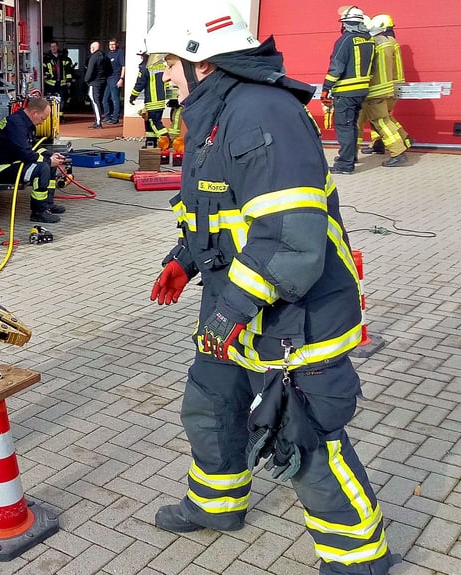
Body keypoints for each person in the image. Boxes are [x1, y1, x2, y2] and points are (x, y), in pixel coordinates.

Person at [145, 2, 395, 574]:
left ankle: (359, 557)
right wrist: (186, 258)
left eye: (168, 62)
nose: (163, 74)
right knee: (210, 405)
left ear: (200, 61)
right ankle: (216, 504)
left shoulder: (262, 115)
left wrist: (230, 308)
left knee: (303, 438)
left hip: (293, 321)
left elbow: (290, 242)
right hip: (239, 311)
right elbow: (216, 210)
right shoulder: (216, 114)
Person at [0, 96, 68, 223]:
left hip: (15, 162)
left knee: (49, 162)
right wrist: (47, 161)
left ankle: (48, 204)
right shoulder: (16, 124)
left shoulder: (25, 123)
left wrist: (51, 156)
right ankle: (38, 212)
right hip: (2, 168)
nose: (42, 122)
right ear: (35, 113)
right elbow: (24, 153)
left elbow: (33, 148)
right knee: (42, 168)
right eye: (42, 118)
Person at [321, 6, 375, 174]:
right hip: (361, 92)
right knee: (351, 127)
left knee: (344, 128)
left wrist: (326, 88)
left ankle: (345, 165)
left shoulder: (345, 40)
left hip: (345, 92)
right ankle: (349, 158)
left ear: (345, 24)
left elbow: (336, 67)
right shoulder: (369, 40)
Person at [358, 14, 412, 166]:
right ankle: (398, 140)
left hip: (376, 90)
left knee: (380, 120)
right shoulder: (388, 42)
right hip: (388, 87)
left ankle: (398, 150)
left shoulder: (374, 44)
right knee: (382, 118)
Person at [129, 49, 169, 147]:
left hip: (152, 100)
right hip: (160, 100)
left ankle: (166, 140)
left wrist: (133, 96)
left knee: (153, 122)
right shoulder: (162, 66)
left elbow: (140, 83)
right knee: (148, 122)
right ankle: (151, 143)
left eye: (142, 56)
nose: (141, 58)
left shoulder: (146, 67)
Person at [84, 41, 109, 129]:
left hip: (94, 82)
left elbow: (90, 71)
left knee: (95, 101)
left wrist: (86, 80)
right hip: (103, 82)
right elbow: (110, 70)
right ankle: (97, 121)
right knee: (99, 100)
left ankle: (98, 122)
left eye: (91, 48)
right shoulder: (105, 57)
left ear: (93, 48)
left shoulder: (93, 57)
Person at [43, 41, 74, 111]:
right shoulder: (46, 58)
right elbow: (43, 69)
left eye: (55, 46)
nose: (53, 48)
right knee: (50, 100)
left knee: (61, 99)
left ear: (57, 47)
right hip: (50, 84)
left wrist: (69, 81)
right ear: (50, 48)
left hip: (62, 84)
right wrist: (46, 75)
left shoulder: (64, 58)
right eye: (52, 47)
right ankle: (51, 115)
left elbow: (68, 70)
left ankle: (60, 116)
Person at [102, 38, 125, 124]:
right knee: (105, 99)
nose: (111, 46)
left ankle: (115, 118)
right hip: (109, 78)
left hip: (116, 78)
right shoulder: (109, 54)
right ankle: (107, 116)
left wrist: (121, 79)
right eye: (110, 45)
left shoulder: (120, 53)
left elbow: (123, 66)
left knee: (115, 99)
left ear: (117, 45)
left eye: (113, 44)